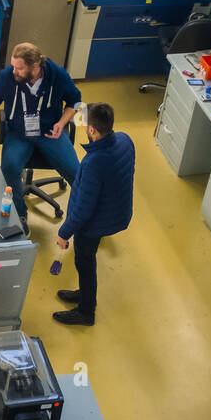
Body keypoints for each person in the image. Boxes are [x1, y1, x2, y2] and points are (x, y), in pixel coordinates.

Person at [0, 42, 81, 232]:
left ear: (36, 66)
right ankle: (19, 214)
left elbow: (75, 102)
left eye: (20, 68)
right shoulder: (7, 77)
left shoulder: (58, 76)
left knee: (77, 172)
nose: (14, 71)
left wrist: (62, 123)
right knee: (9, 168)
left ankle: (83, 216)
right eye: (13, 65)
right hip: (18, 134)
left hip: (50, 132)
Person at [51, 102, 135, 326]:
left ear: (92, 131)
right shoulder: (125, 140)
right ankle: (85, 293)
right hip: (115, 212)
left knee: (85, 262)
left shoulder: (93, 162)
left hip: (95, 222)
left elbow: (83, 209)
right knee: (88, 260)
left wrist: (64, 233)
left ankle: (86, 312)